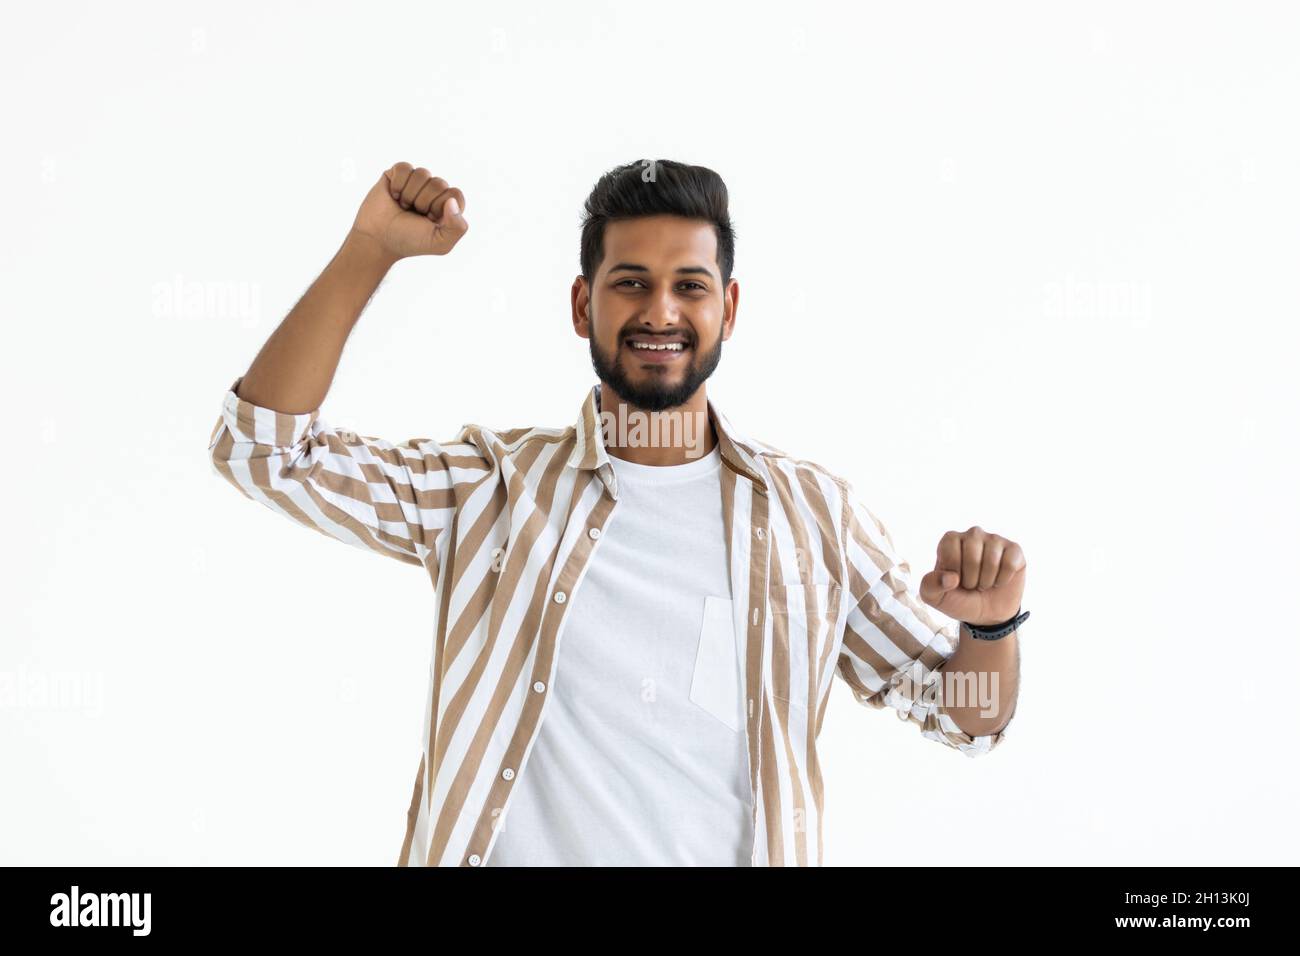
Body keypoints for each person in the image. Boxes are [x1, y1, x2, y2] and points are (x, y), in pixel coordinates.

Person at [206, 159, 1028, 867]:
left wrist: (989, 632)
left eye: (690, 287)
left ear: (728, 311)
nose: (660, 312)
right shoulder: (488, 490)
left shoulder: (812, 517)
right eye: (630, 282)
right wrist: (371, 250)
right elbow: (262, 453)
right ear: (581, 306)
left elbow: (967, 720)